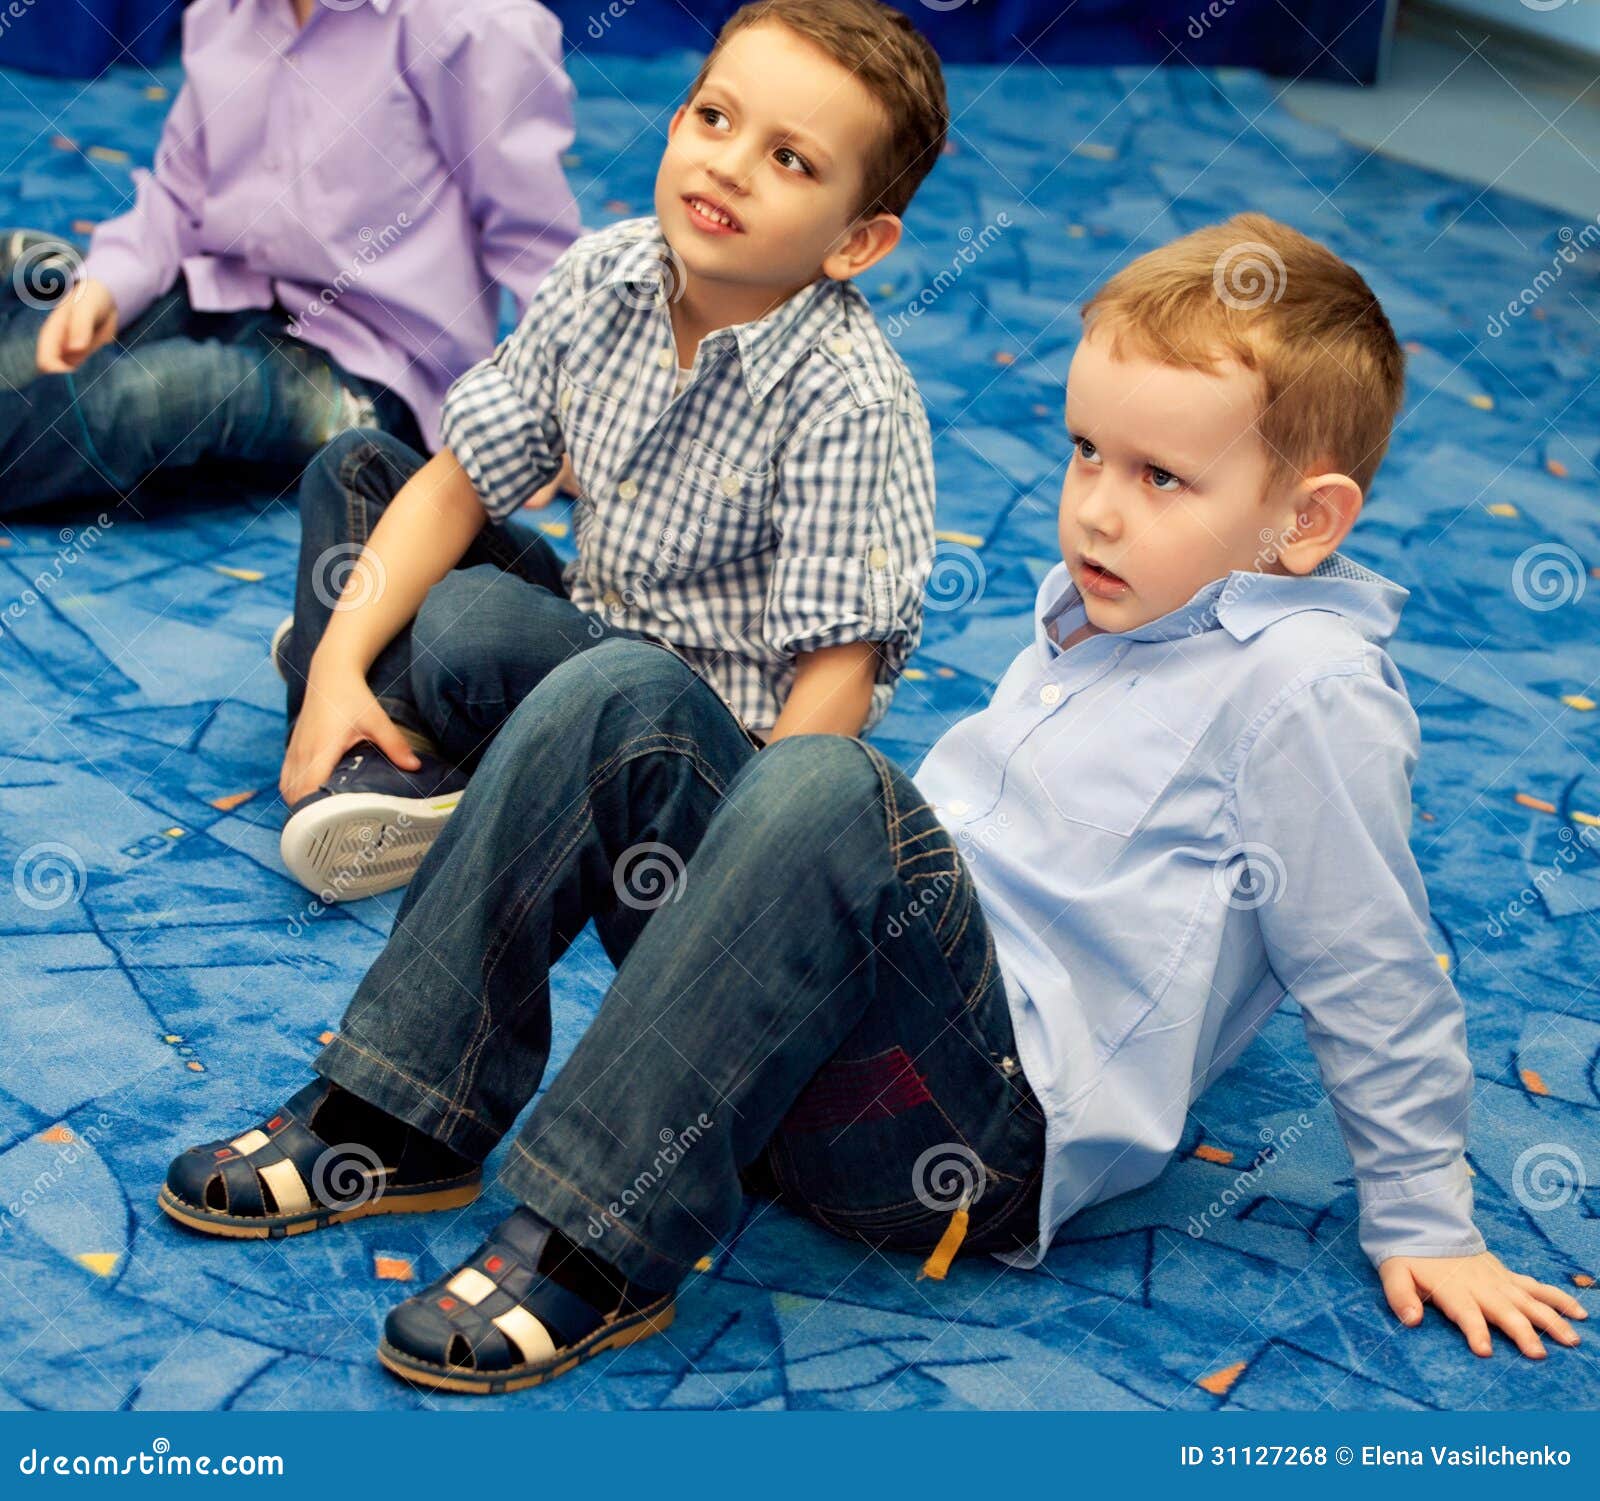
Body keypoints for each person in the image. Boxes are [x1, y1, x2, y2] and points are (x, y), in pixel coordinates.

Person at [161, 212, 1589, 1393]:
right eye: (1088, 451)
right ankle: (398, 1110)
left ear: (1305, 522)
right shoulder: (1119, 601)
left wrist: (1424, 1213)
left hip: (962, 1145)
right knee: (628, 695)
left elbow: (1372, 958)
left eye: (1163, 476)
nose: (1096, 508)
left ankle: (596, 1237)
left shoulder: (1310, 690)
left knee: (833, 782)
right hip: (822, 1050)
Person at [271, 0, 946, 902]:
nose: (730, 166)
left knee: (468, 623)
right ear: (677, 122)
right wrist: (338, 663)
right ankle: (381, 717)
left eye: (791, 160)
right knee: (357, 469)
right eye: (715, 118)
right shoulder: (601, 277)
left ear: (856, 242)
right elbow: (456, 484)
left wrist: (743, 865)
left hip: (694, 727)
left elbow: (841, 672)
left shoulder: (850, 399)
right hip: (593, 618)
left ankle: (409, 741)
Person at [0, 0, 579, 517]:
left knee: (143, 399)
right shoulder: (222, 15)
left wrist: (554, 413)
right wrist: (108, 283)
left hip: (378, 365)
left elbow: (533, 239)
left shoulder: (475, 23)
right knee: (51, 322)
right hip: (229, 287)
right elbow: (178, 193)